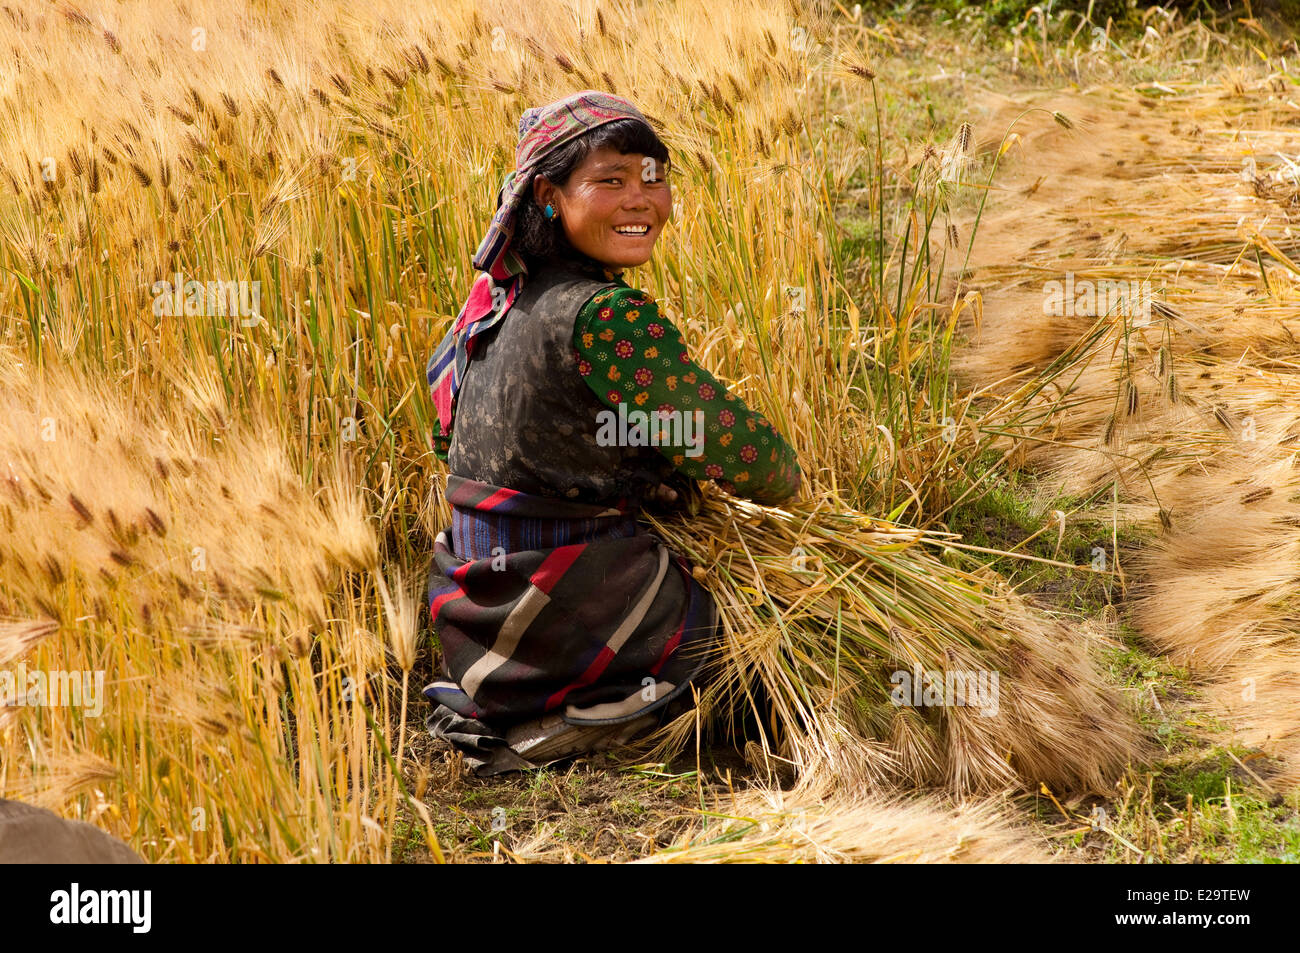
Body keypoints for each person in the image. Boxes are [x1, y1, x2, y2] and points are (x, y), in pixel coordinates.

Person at [423, 90, 801, 775]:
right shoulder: (604, 318)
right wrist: (783, 480)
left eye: (653, 179)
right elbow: (751, 460)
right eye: (610, 181)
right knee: (787, 651)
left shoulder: (488, 310)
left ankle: (559, 706)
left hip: (478, 610)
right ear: (547, 195)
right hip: (566, 607)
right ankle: (600, 709)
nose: (641, 200)